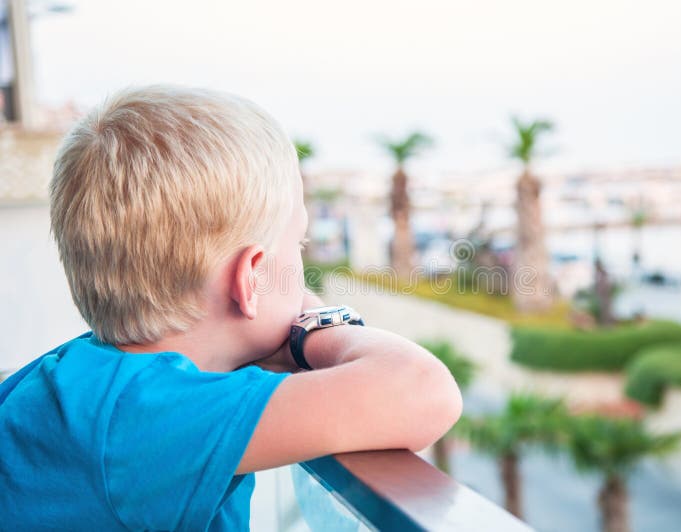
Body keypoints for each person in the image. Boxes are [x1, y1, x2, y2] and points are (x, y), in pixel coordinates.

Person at [0, 86, 462, 531]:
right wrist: (313, 331)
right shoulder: (147, 416)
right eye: (298, 243)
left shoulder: (80, 385)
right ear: (252, 277)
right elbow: (425, 395)